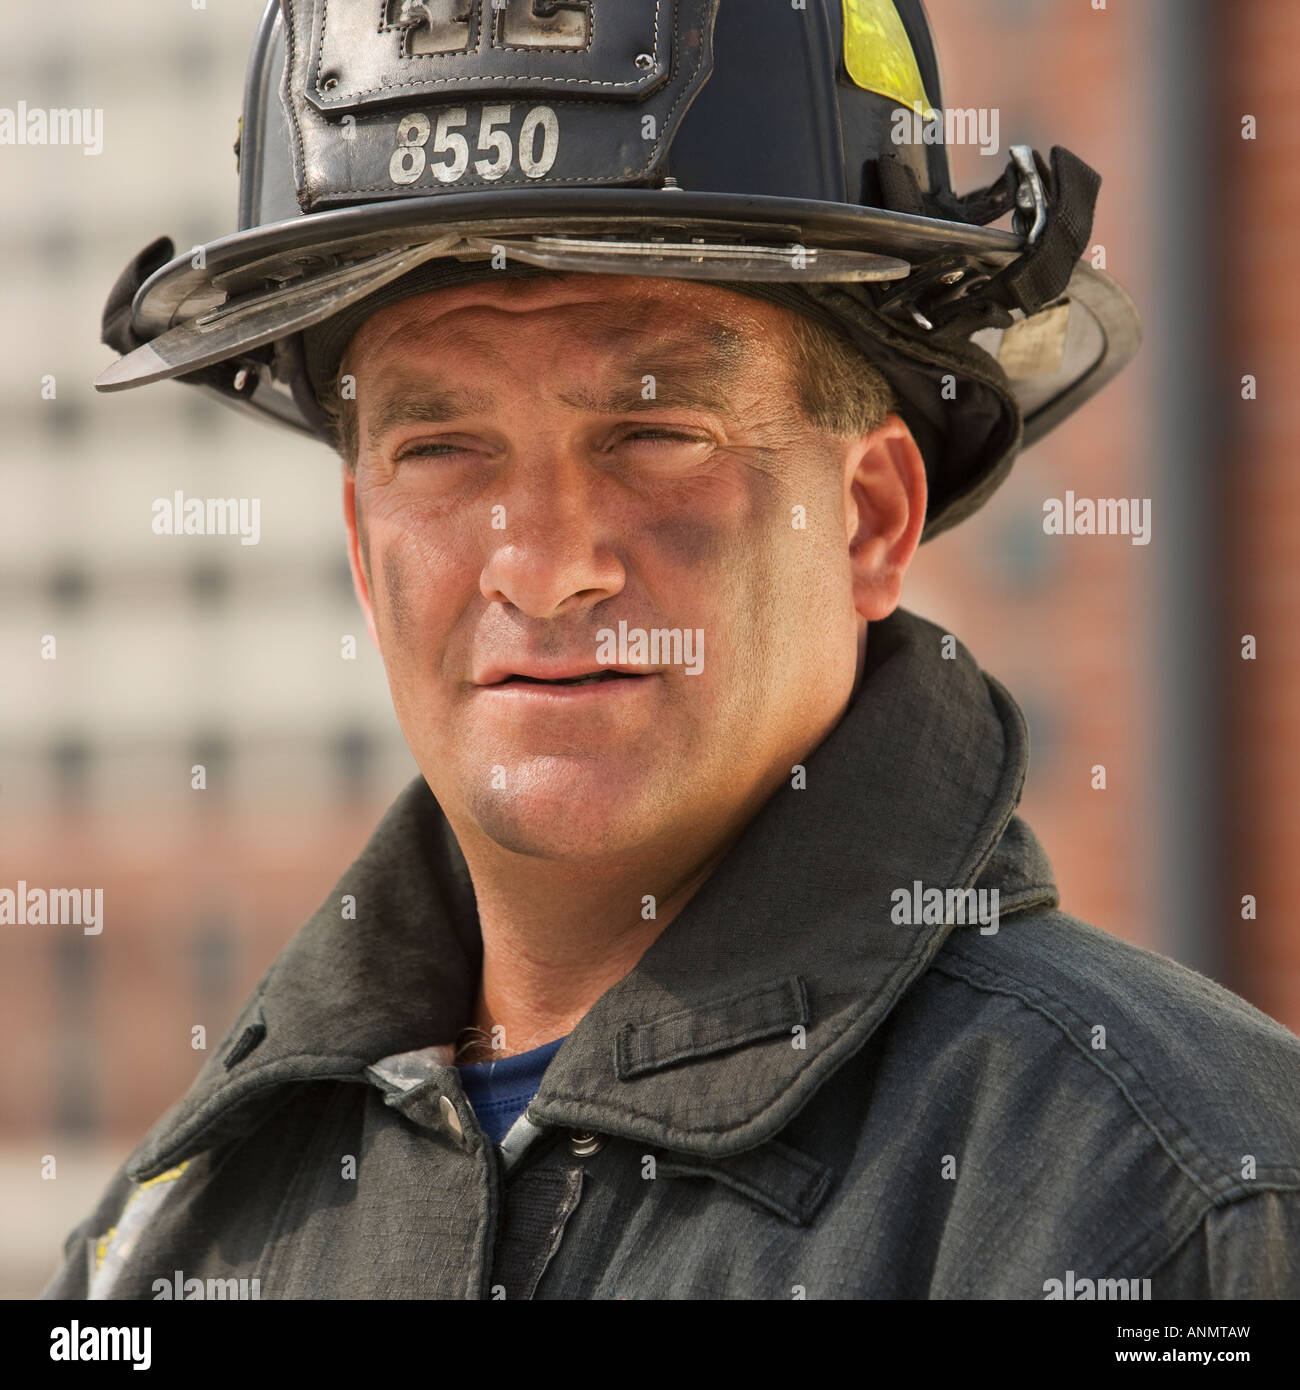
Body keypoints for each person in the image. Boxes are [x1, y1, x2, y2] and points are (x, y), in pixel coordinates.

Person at [46, 0, 1300, 1300]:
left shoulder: (1177, 1207)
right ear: (366, 551)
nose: (539, 562)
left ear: (871, 518)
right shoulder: (180, 1238)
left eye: (655, 436)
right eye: (441, 448)